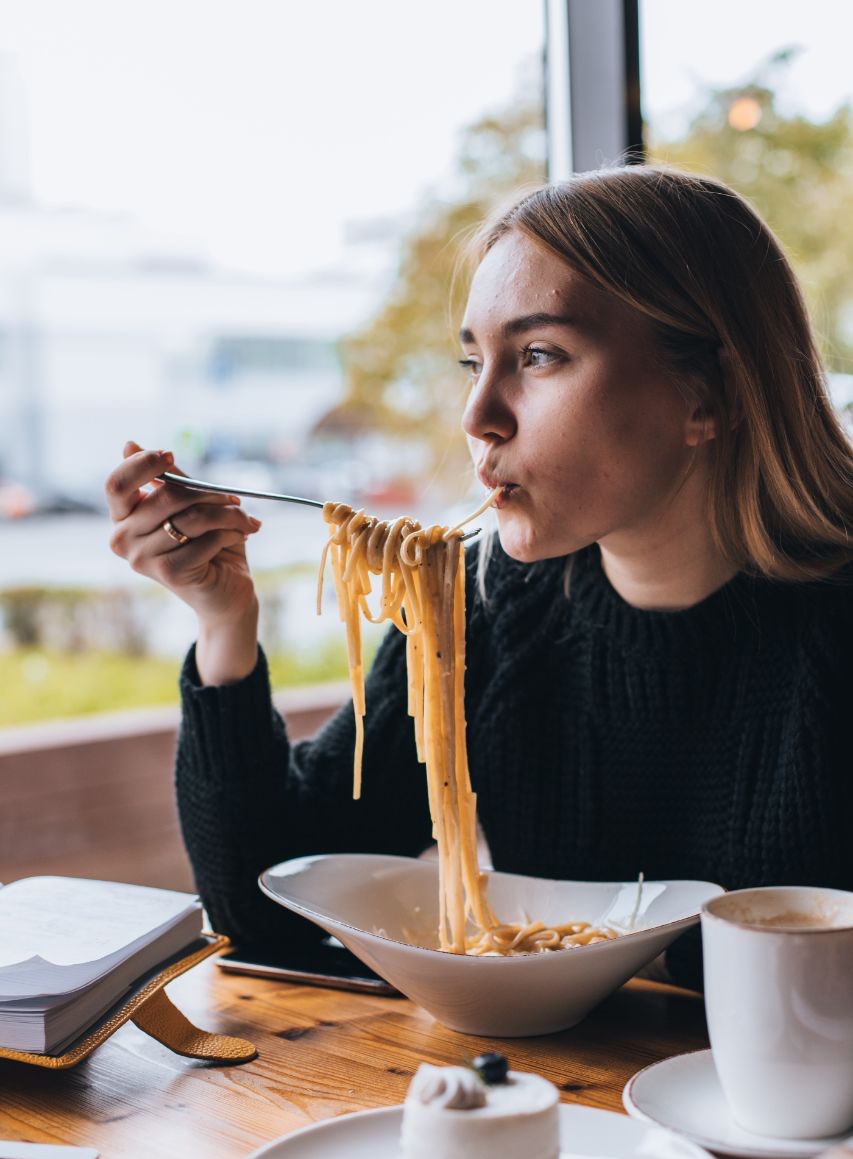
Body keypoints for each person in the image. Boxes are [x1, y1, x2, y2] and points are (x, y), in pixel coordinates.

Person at [106, 166, 853, 988]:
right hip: (549, 1095)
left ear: (707, 392)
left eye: (538, 355)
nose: (477, 418)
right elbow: (264, 909)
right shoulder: (475, 606)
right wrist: (223, 624)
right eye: (473, 363)